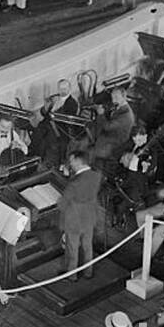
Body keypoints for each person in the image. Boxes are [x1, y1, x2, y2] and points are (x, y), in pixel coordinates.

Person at [59, 149, 103, 278]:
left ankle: (72, 275)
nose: (70, 163)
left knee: (72, 248)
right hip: (89, 216)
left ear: (78, 161)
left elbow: (63, 203)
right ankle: (88, 272)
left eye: (72, 160)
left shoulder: (74, 183)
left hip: (74, 219)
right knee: (87, 246)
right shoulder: (96, 176)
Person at [90, 86, 135, 163]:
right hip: (110, 134)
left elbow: (107, 127)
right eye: (112, 97)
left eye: (116, 97)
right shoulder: (119, 105)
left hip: (115, 143)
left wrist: (101, 114)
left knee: (90, 150)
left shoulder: (126, 115)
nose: (113, 100)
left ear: (124, 97)